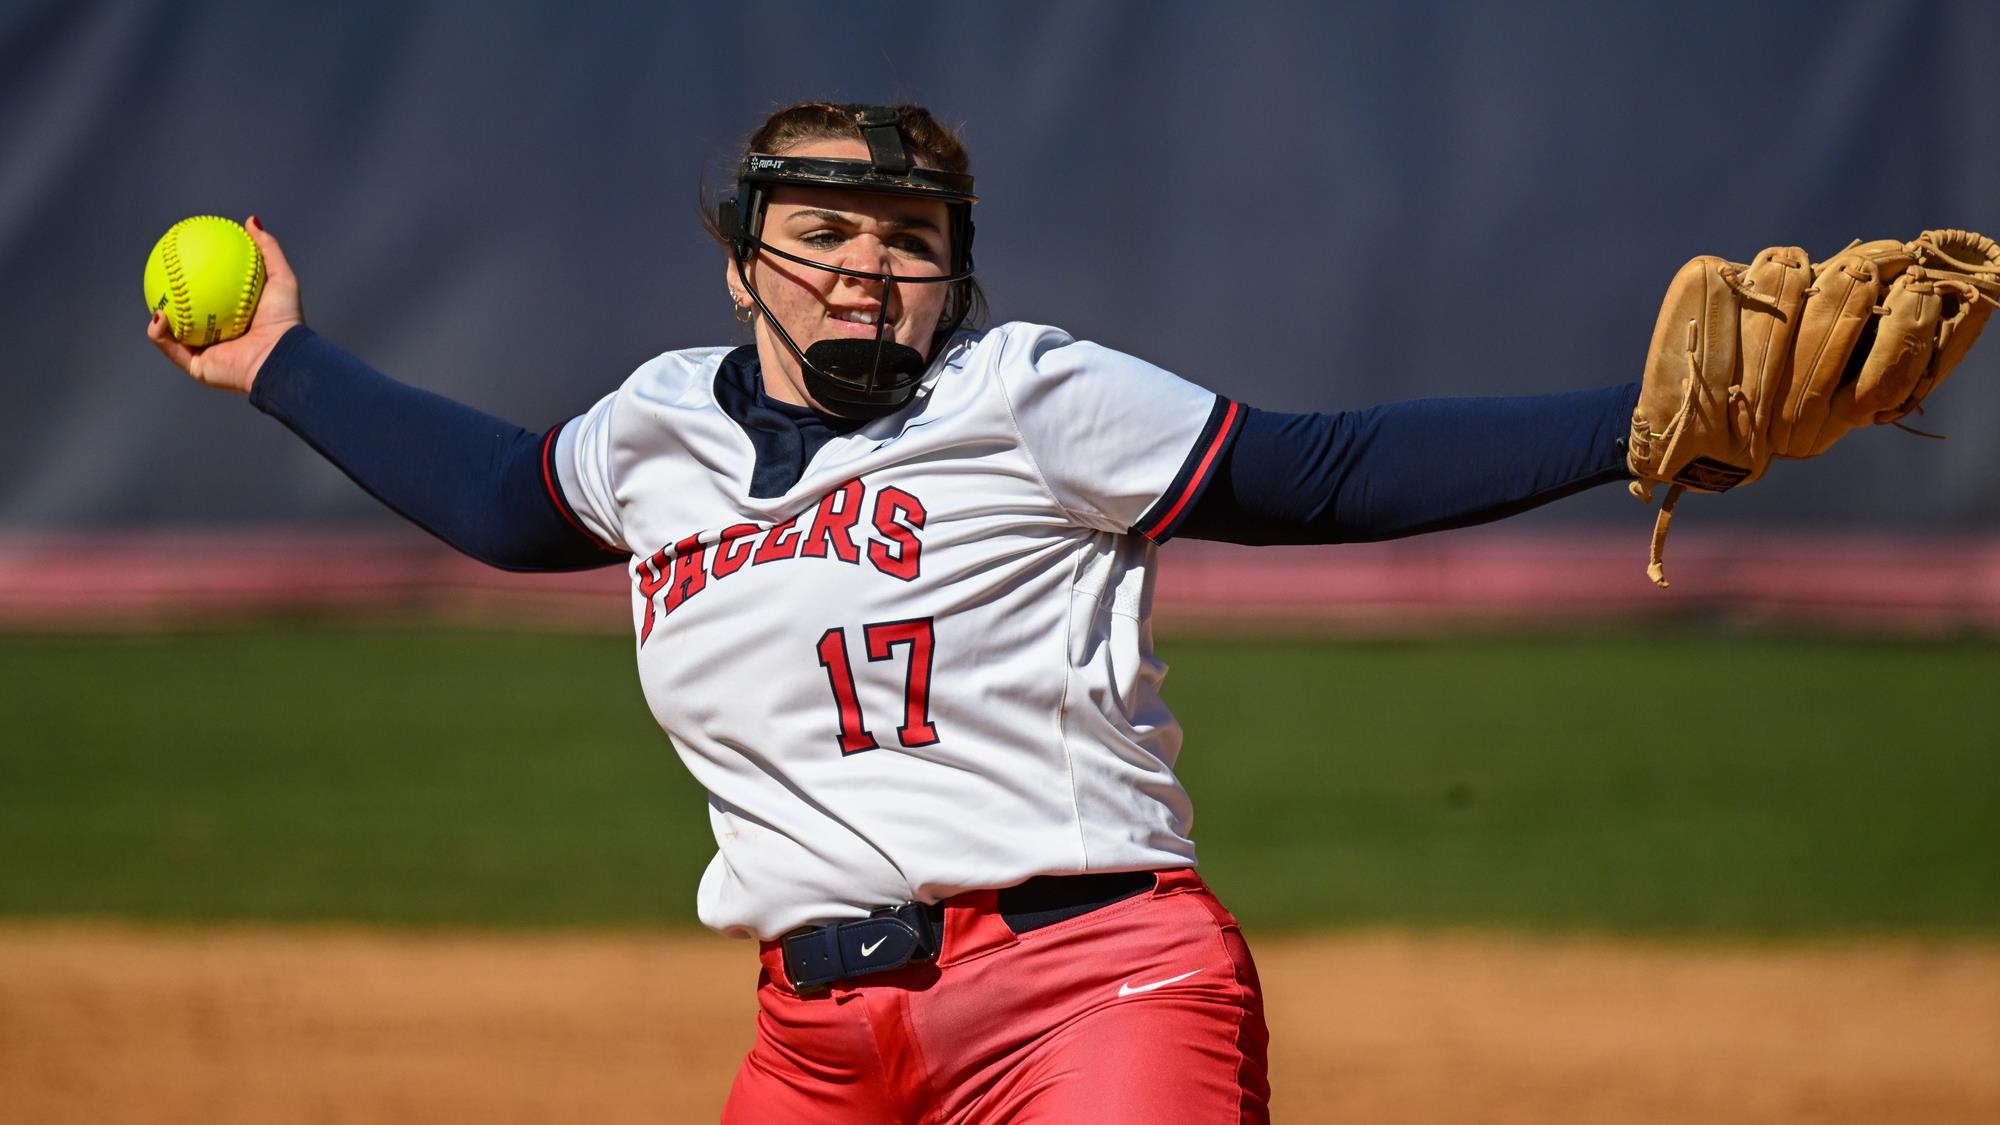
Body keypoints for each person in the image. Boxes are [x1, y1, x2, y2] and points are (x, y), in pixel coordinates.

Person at [148, 102, 1638, 1123]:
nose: (868, 262)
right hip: (816, 1042)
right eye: (823, 230)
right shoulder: (655, 430)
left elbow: (1326, 472)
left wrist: (1644, 427)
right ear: (744, 263)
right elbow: (498, 499)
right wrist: (285, 361)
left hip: (1090, 989)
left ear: (951, 278)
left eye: (909, 239)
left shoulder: (1031, 397)